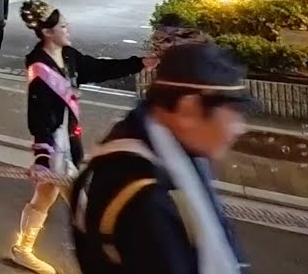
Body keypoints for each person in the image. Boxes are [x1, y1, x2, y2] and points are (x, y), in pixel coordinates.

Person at [70, 43, 251, 274]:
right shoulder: (145, 198)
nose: (240, 128)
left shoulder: (166, 145)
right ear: (188, 109)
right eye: (234, 114)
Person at [10, 0, 153, 274]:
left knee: (44, 199)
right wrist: (41, 157)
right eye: (63, 25)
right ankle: (103, 264)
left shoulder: (68, 56)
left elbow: (98, 68)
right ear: (48, 32)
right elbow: (38, 117)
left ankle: (22, 249)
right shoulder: (39, 68)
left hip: (70, 144)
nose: (68, 28)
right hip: (56, 150)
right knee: (84, 210)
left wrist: (140, 63)